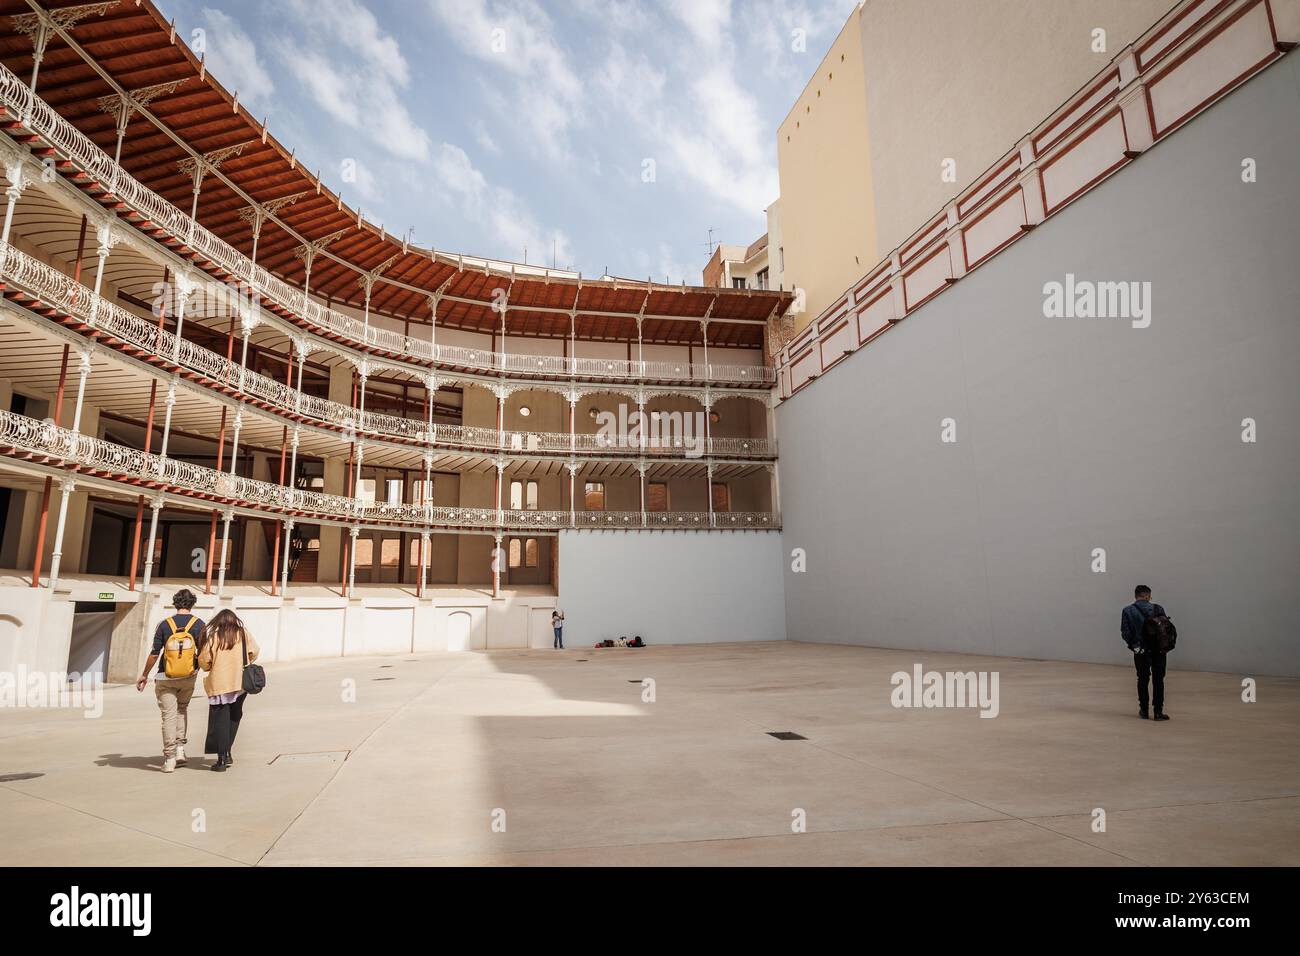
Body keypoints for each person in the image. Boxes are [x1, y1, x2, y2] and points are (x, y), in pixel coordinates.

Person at [136, 588, 204, 773]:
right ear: (192, 604)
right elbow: (204, 652)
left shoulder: (165, 625)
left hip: (165, 676)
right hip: (189, 676)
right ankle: (181, 749)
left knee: (168, 716)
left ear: (175, 603)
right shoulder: (199, 624)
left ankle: (170, 758)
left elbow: (154, 653)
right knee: (182, 710)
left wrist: (144, 674)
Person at [197, 609, 260, 772]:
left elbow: (204, 661)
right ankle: (228, 751)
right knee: (235, 715)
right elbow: (255, 651)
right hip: (240, 683)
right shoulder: (243, 633)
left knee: (221, 721)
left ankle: (222, 758)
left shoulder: (214, 637)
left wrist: (212, 666)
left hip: (220, 684)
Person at [1121, 584, 1170, 721]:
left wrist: (1135, 647)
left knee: (1142, 679)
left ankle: (1144, 710)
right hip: (1159, 650)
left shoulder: (1128, 610)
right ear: (1147, 595)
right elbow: (1165, 630)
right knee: (1158, 680)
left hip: (1140, 650)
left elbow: (1125, 632)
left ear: (1136, 596)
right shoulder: (1158, 608)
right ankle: (1158, 712)